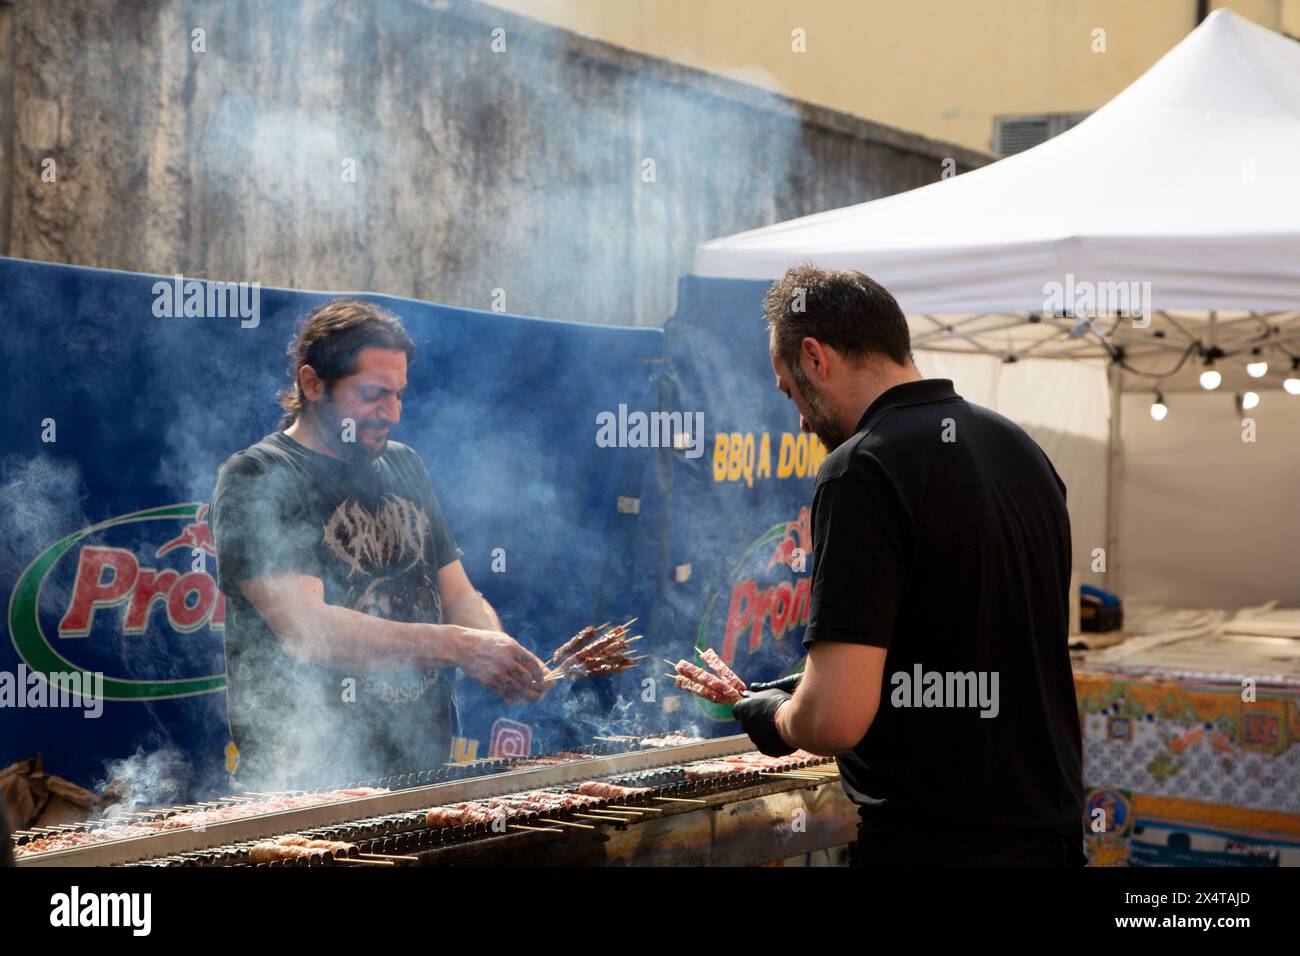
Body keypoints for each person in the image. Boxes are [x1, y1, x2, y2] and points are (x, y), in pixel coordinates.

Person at [733, 265, 1085, 866]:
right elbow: (976, 639)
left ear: (815, 357)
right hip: (1051, 837)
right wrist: (811, 683)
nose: (798, 418)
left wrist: (779, 717)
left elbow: (836, 720)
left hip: (940, 844)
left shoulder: (859, 469)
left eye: (789, 391)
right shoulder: (1022, 450)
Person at [209, 298, 549, 790]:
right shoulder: (258, 475)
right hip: (309, 783)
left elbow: (455, 593)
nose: (390, 413)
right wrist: (460, 645)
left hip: (422, 774)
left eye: (398, 395)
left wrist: (499, 656)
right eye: (372, 394)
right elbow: (308, 630)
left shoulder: (405, 464)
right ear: (312, 384)